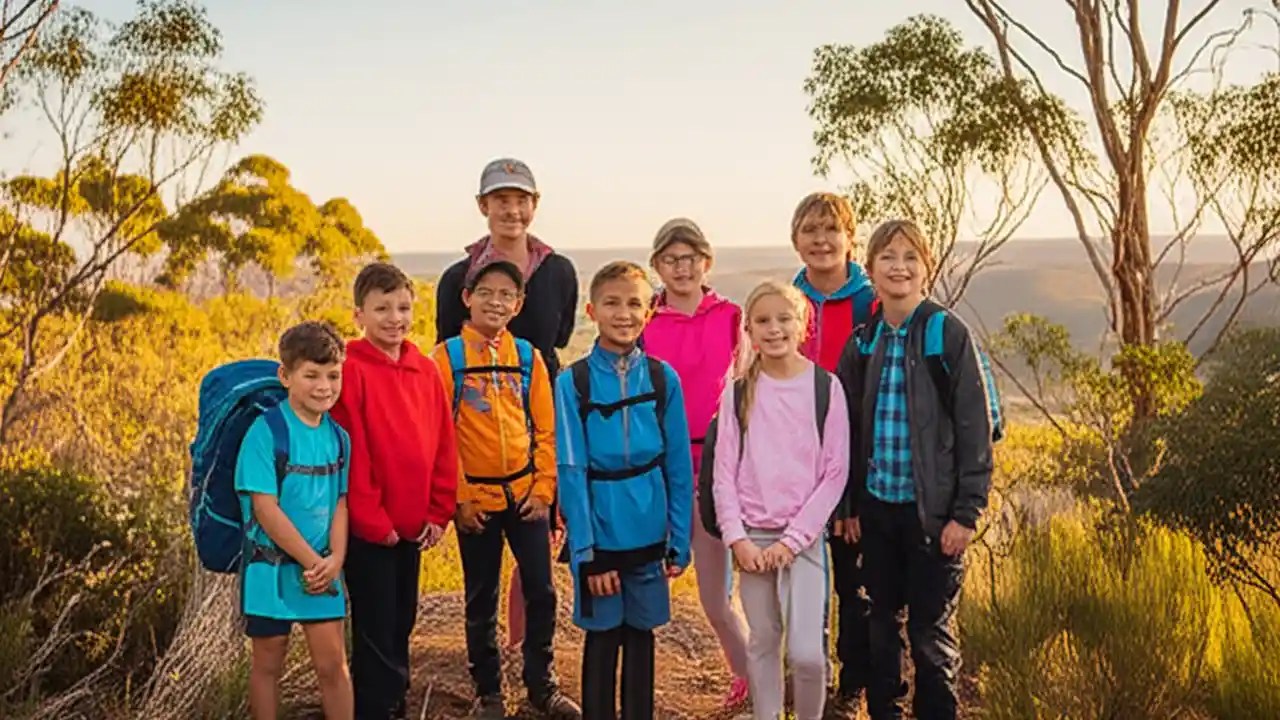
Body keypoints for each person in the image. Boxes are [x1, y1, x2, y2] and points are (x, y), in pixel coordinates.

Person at [834, 220, 995, 720]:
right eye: (888, 257)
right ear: (870, 269)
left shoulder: (945, 334)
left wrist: (965, 515)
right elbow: (844, 434)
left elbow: (975, 429)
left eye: (910, 257)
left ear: (927, 267)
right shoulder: (862, 343)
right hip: (878, 511)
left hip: (935, 518)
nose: (899, 266)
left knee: (930, 632)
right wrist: (849, 507)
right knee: (881, 622)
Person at [431, 260, 582, 720]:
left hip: (525, 497)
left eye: (506, 296)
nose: (495, 302)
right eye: (486, 293)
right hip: (475, 500)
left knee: (542, 590)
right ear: (467, 298)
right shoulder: (447, 359)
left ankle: (541, 684)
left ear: (518, 305)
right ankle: (489, 691)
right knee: (481, 597)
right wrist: (458, 499)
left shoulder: (527, 358)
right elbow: (440, 437)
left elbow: (545, 429)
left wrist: (543, 489)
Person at [435, 158, 577, 646]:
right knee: (483, 579)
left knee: (537, 553)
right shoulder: (457, 275)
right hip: (475, 433)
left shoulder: (558, 271)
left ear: (534, 206)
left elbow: (557, 336)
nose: (511, 210)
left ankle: (525, 652)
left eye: (521, 200)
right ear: (483, 206)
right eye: (500, 200)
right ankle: (491, 670)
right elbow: (446, 362)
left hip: (535, 419)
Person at [556, 260, 694, 720]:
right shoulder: (572, 382)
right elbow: (571, 470)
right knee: (604, 638)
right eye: (612, 303)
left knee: (642, 636)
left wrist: (680, 537)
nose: (624, 313)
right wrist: (588, 552)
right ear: (592, 311)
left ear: (650, 310)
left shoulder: (661, 378)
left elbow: (677, 464)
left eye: (634, 303)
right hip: (602, 536)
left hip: (651, 534)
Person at [711, 280, 850, 720]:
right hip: (752, 539)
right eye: (763, 321)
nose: (774, 329)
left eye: (784, 319)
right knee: (764, 641)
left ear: (803, 324)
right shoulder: (736, 393)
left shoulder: (826, 389)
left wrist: (792, 542)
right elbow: (723, 476)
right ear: (749, 330)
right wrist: (738, 540)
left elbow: (834, 473)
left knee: (808, 655)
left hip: (803, 542)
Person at [331, 262, 459, 720]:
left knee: (403, 619)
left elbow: (444, 443)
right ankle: (376, 708)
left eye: (402, 307)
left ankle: (395, 703)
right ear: (358, 315)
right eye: (381, 308)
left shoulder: (425, 370)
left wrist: (439, 510)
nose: (394, 318)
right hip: (371, 530)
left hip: (415, 525)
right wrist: (373, 522)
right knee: (375, 625)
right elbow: (354, 454)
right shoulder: (351, 370)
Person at [638, 218, 751, 710]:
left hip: (718, 463)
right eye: (670, 259)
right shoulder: (645, 319)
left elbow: (750, 389)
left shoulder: (730, 315)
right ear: (657, 265)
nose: (681, 268)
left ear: (707, 262)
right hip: (659, 465)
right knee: (645, 580)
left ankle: (749, 677)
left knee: (714, 594)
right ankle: (631, 686)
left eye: (690, 258)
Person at [236, 321, 354, 720]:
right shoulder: (264, 432)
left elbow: (341, 502)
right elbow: (265, 510)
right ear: (285, 376)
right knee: (268, 666)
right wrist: (312, 562)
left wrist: (335, 558)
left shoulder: (339, 437)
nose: (324, 386)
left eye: (333, 375)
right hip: (270, 570)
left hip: (322, 569)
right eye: (312, 375)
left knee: (333, 667)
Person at [789, 191, 875, 718]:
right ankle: (806, 677)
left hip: (857, 463)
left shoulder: (871, 303)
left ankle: (853, 686)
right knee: (801, 580)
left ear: (849, 238)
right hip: (795, 465)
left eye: (831, 229)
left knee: (852, 583)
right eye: (810, 230)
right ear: (796, 240)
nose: (821, 240)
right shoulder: (786, 301)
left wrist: (855, 495)